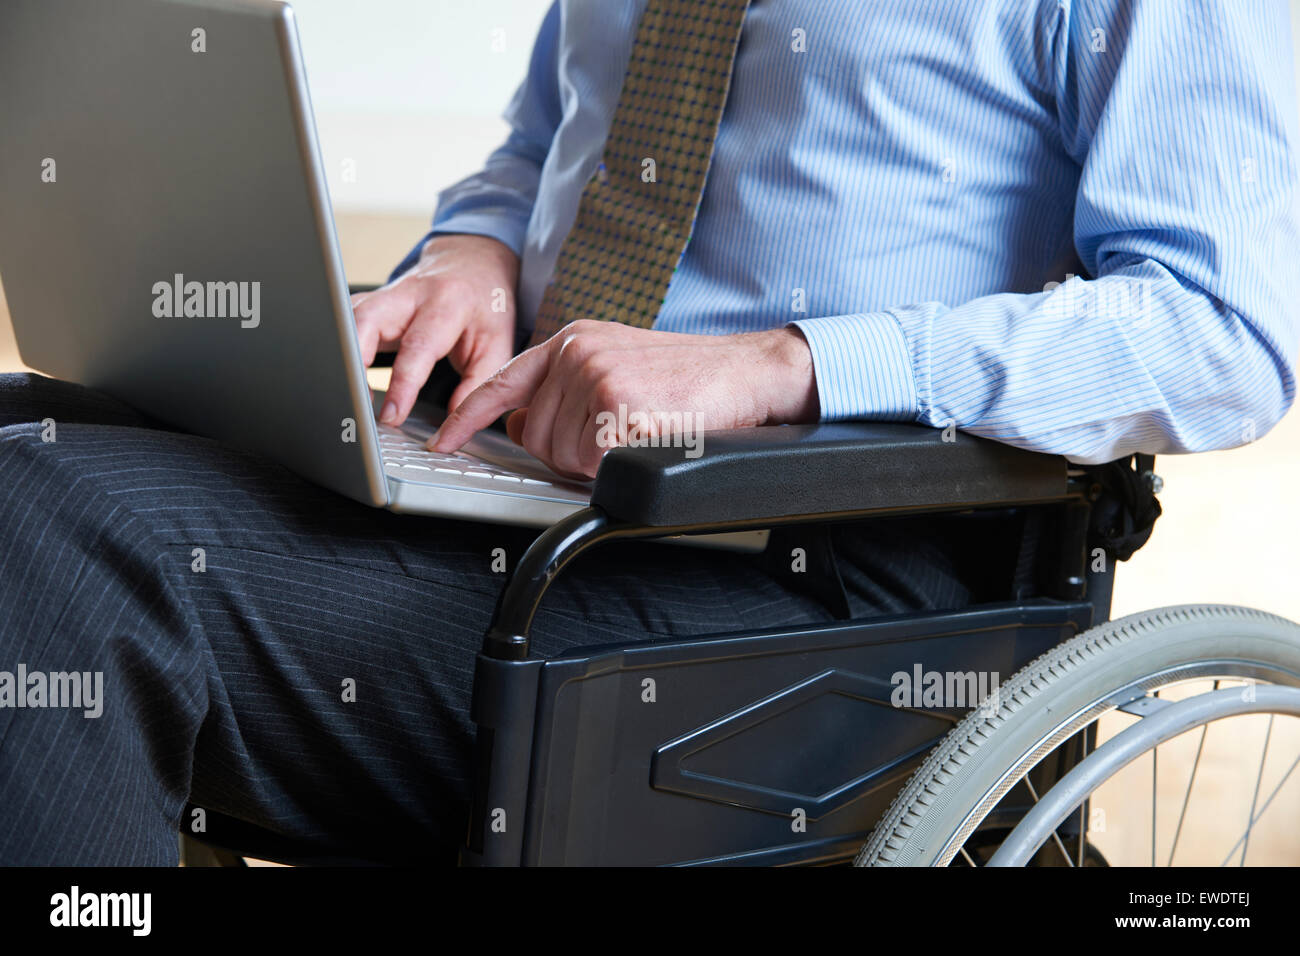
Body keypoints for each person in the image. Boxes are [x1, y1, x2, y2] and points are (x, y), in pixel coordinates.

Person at [0, 0, 1296, 864]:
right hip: (530, 478)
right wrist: (473, 250)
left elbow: (1224, 331)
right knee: (28, 437)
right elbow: (541, 147)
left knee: (53, 529)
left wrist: (787, 366)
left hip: (828, 575)